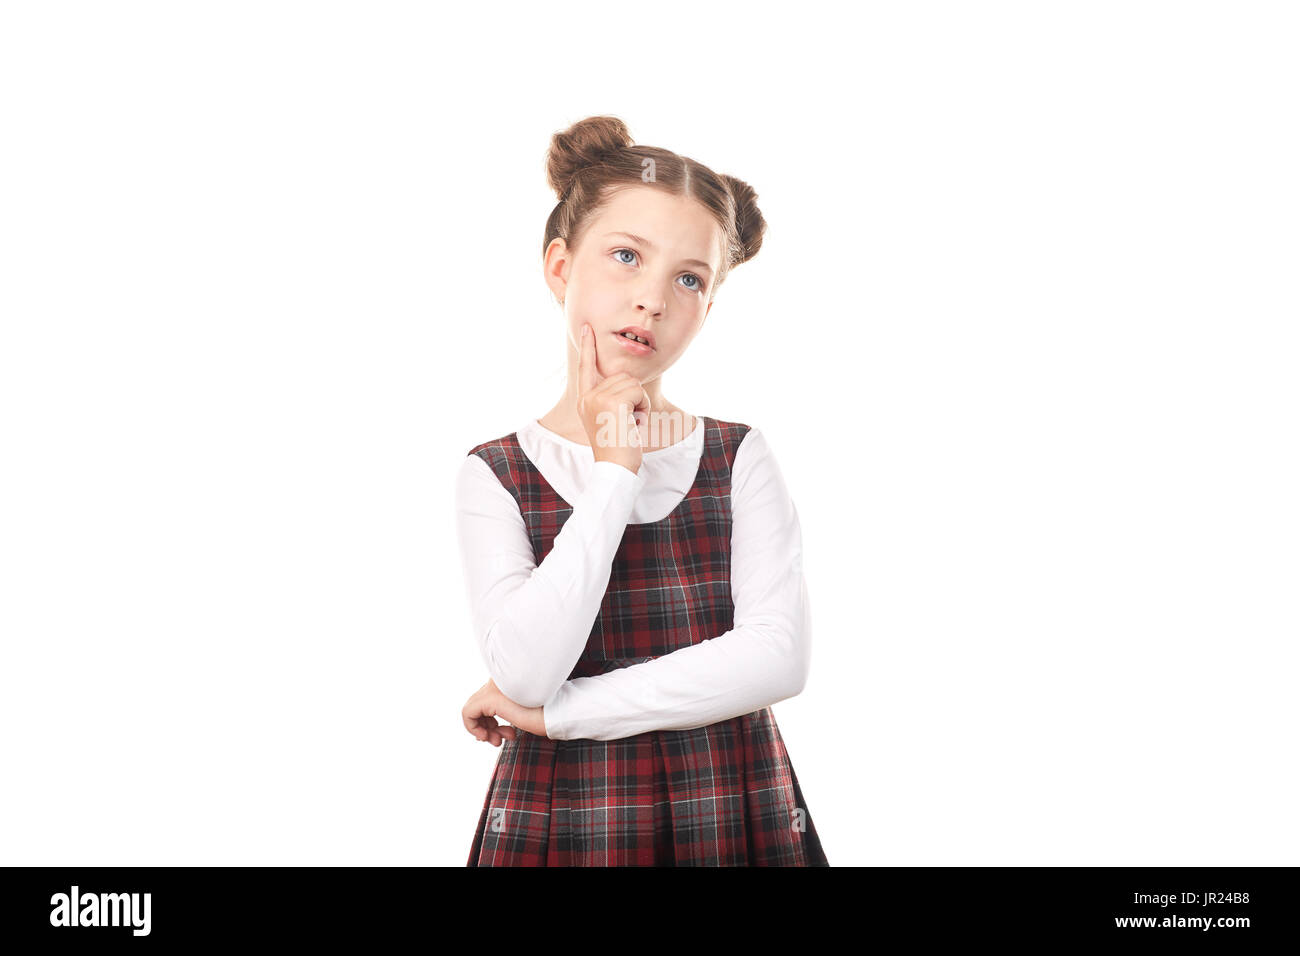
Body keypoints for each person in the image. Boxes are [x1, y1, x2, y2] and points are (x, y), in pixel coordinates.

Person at [455, 115, 828, 866]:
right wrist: (614, 471)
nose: (652, 299)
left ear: (708, 309)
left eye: (689, 279)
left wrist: (562, 715)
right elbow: (526, 671)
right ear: (561, 266)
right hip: (571, 818)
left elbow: (776, 658)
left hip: (727, 803)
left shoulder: (737, 456)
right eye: (626, 256)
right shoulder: (497, 472)